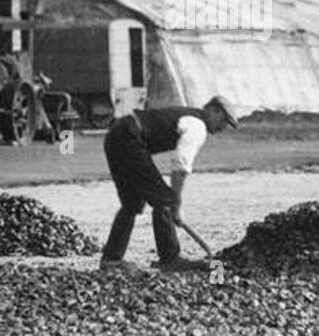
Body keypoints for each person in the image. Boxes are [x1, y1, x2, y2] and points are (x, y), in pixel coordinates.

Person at [100, 95, 240, 273]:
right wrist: (176, 204)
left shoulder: (188, 116)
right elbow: (181, 165)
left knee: (131, 203)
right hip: (129, 137)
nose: (223, 127)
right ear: (213, 110)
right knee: (165, 199)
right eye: (224, 120)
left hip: (117, 134)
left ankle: (111, 261)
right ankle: (170, 258)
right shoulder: (197, 125)